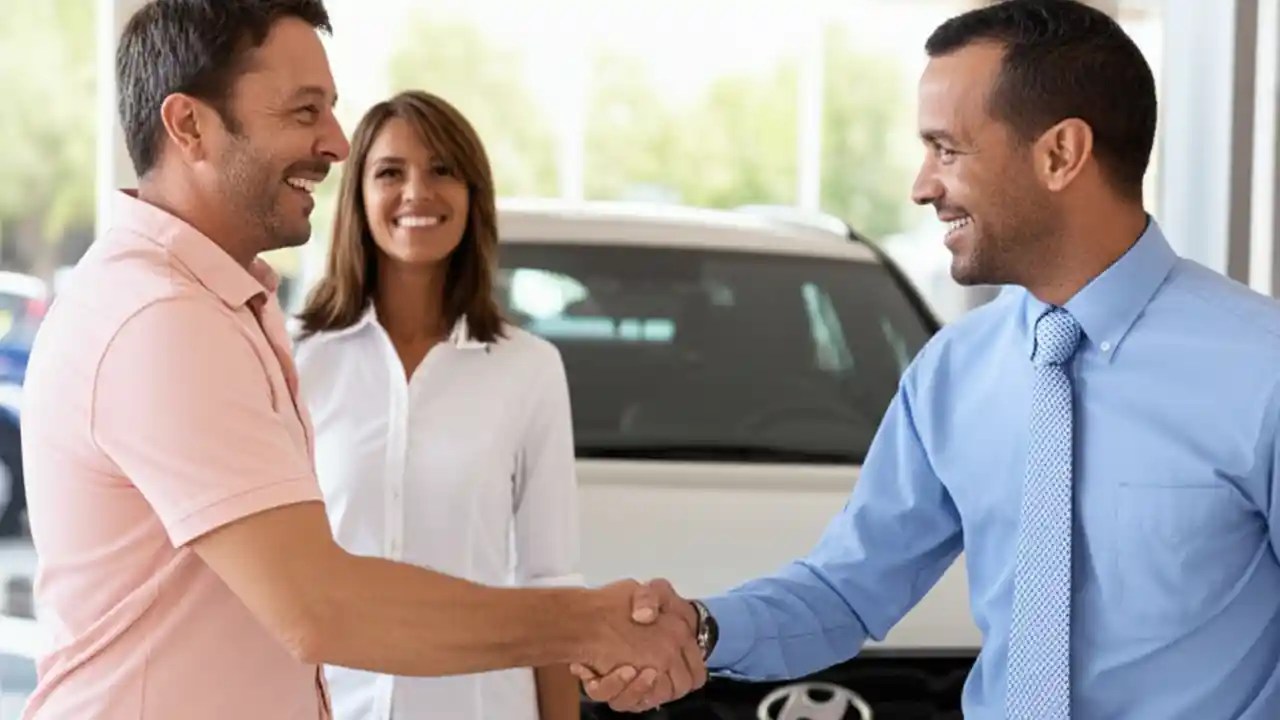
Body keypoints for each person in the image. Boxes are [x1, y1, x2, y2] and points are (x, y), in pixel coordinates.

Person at [578, 0, 1280, 717]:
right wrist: (699, 628)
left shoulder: (1263, 369)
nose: (922, 186)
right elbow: (847, 591)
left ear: (1060, 154)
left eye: (947, 149)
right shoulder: (954, 372)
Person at [18, 2, 702, 718]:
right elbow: (319, 606)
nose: (337, 144)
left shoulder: (216, 308)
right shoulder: (160, 319)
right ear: (190, 125)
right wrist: (589, 622)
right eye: (304, 111)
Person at [292, 90, 581, 720]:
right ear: (359, 196)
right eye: (391, 172)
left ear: (473, 196)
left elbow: (549, 583)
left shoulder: (528, 368)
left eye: (443, 170)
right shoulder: (294, 359)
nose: (417, 192)